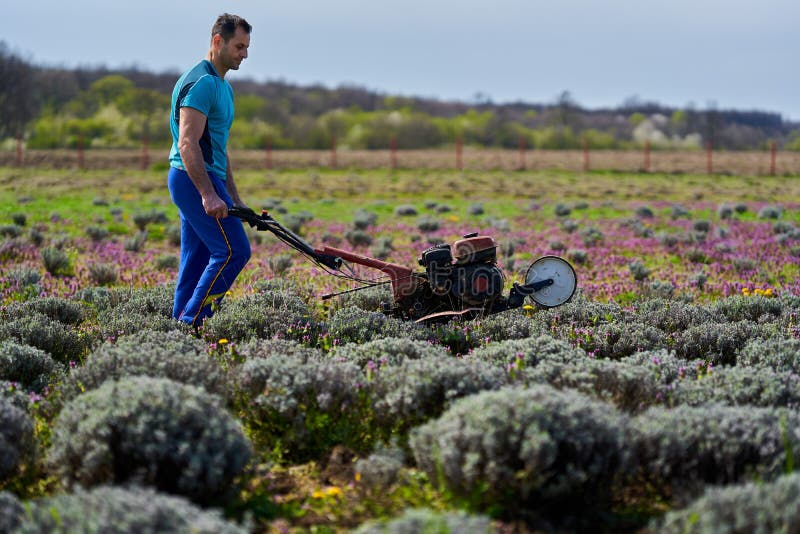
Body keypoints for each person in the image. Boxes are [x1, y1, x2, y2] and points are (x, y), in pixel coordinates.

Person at [167, 13, 252, 327]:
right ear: (218, 41)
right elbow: (188, 143)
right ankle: (194, 321)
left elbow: (218, 148)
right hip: (192, 178)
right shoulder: (201, 83)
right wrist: (207, 194)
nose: (245, 54)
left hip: (207, 177)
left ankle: (178, 327)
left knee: (197, 260)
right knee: (234, 252)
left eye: (246, 47)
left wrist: (233, 196)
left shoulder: (222, 87)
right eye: (239, 46)